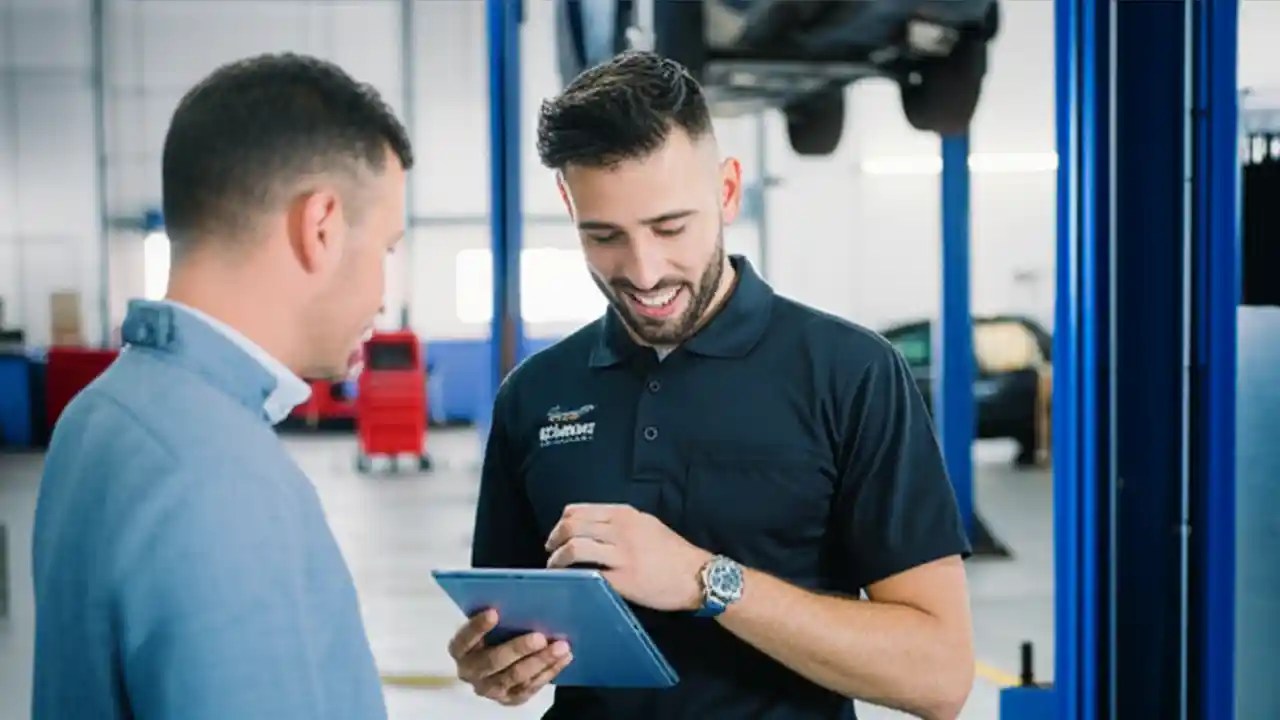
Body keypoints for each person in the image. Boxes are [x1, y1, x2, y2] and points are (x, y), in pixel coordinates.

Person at [447, 51, 975, 720]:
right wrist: (497, 666)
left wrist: (707, 581)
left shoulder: (851, 373)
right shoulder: (534, 394)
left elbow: (939, 675)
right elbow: (513, 625)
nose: (642, 270)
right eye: (604, 235)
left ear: (727, 190)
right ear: (568, 205)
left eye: (671, 227)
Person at [31, 53, 412, 720]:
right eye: (385, 249)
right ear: (319, 226)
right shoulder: (221, 476)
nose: (384, 292)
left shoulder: (98, 415)